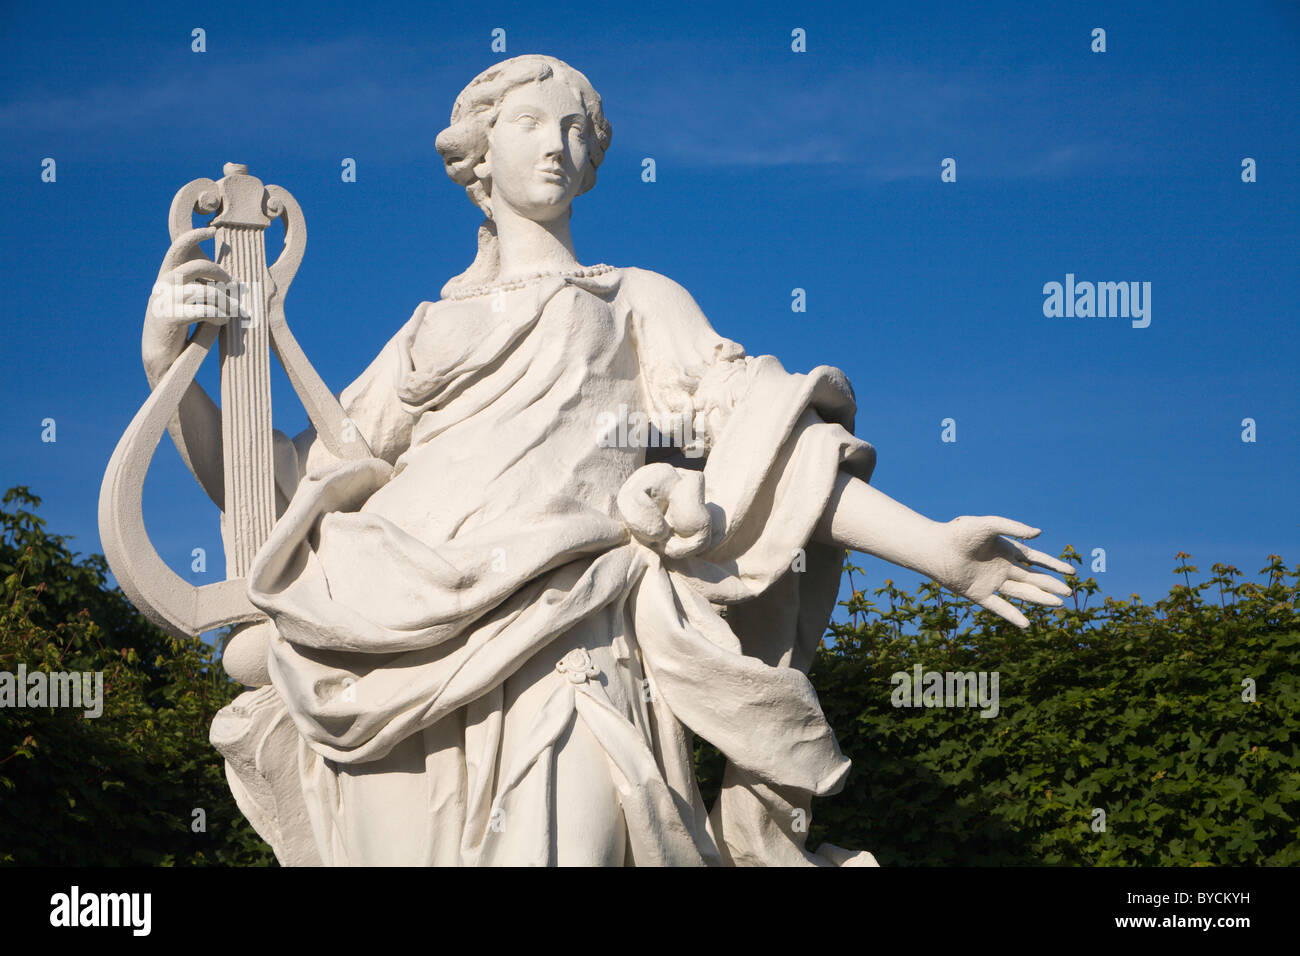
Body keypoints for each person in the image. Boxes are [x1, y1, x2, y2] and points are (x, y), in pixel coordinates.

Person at [142, 54, 1073, 866]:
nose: (558, 144)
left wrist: (936, 550)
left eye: (580, 129)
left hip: (570, 640)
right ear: (475, 151)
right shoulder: (424, 332)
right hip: (388, 656)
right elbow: (276, 487)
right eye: (529, 123)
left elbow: (775, 449)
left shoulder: (633, 304)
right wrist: (168, 363)